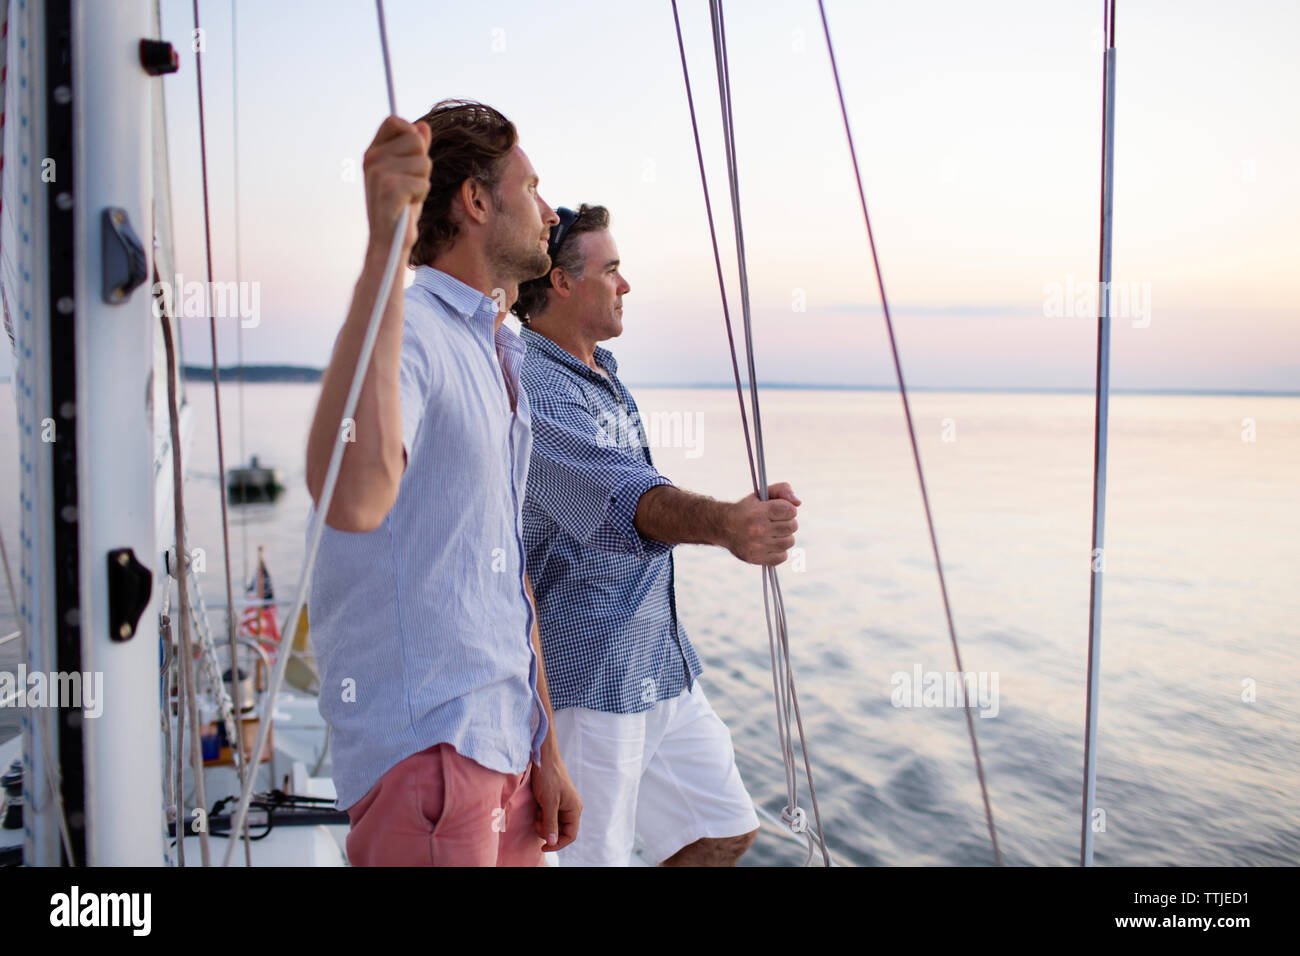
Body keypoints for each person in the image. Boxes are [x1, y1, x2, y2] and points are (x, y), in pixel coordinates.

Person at [304, 100, 581, 866]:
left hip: (506, 754)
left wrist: (546, 747)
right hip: (432, 754)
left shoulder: (503, 355)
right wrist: (385, 252)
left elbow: (506, 574)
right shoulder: (413, 326)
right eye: (532, 189)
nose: (550, 212)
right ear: (477, 201)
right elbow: (352, 494)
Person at [511, 204, 801, 866]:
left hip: (661, 664)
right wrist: (729, 524)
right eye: (611, 269)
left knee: (724, 828)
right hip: (590, 683)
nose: (625, 284)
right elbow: (621, 499)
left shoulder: (600, 371)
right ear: (561, 281)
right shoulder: (535, 384)